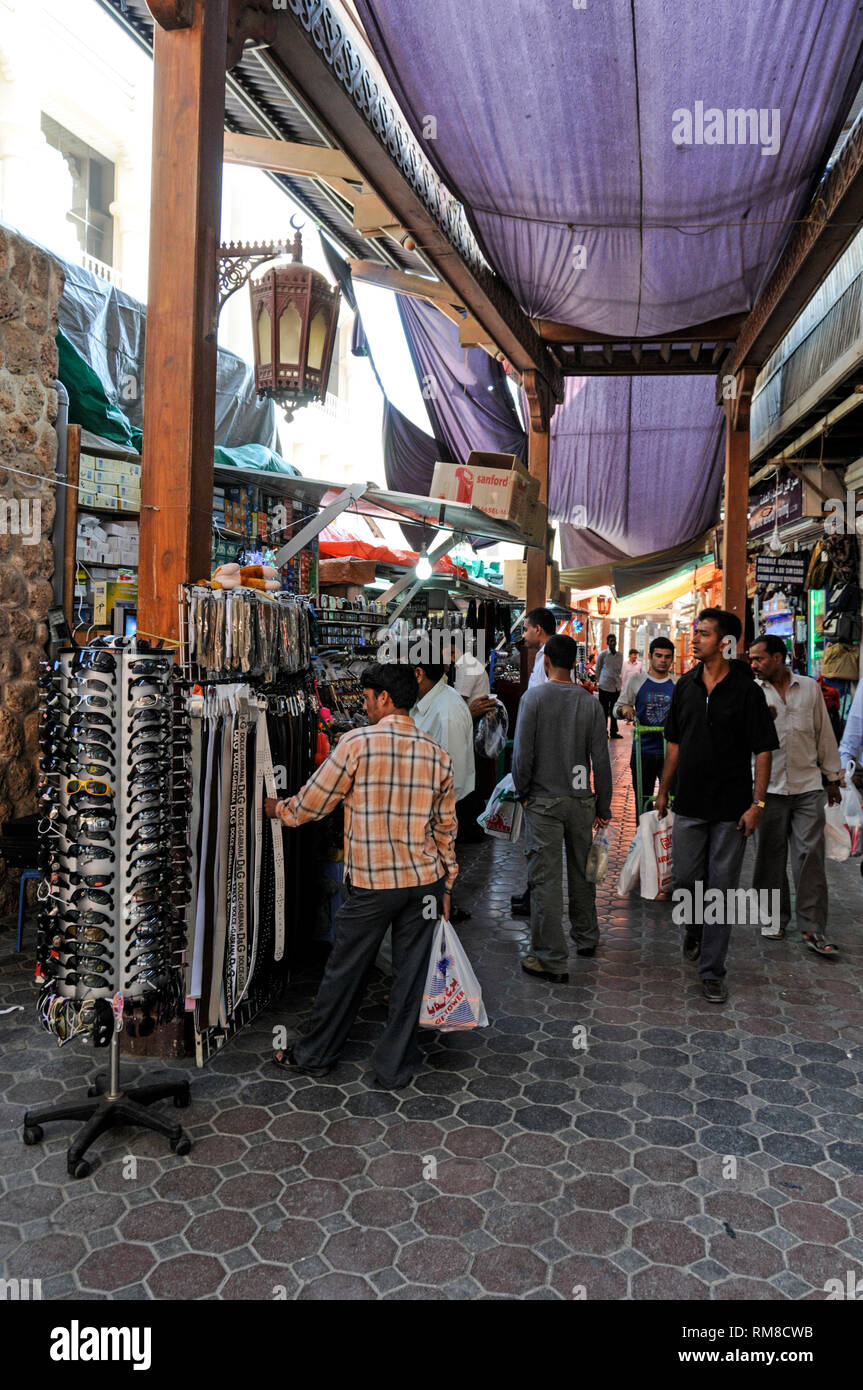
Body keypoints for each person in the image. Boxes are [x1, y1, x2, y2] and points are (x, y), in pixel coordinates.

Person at [266, 662, 457, 1090]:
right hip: (423, 883)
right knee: (410, 978)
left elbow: (314, 803)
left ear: (385, 699)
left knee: (346, 970)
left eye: (368, 698)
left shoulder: (356, 744)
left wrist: (277, 809)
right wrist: (447, 886)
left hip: (373, 884)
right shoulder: (435, 753)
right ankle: (394, 1068)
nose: (365, 706)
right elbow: (446, 828)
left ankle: (316, 1055)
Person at [656, 609, 778, 1004]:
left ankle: (712, 970)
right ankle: (694, 927)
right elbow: (674, 743)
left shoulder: (747, 692)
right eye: (696, 633)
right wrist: (663, 790)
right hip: (689, 803)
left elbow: (763, 750)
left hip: (731, 808)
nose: (695, 639)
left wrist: (757, 803)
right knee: (686, 882)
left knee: (721, 892)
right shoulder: (685, 685)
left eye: (704, 634)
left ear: (724, 642)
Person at [511, 633, 612, 982]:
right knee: (583, 873)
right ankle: (586, 937)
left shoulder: (533, 699)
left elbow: (522, 754)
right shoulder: (589, 702)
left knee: (546, 879)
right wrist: (604, 804)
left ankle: (550, 958)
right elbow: (601, 758)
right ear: (574, 663)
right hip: (582, 801)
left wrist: (523, 791)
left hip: (544, 801)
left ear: (548, 662)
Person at [749, 634, 843, 955]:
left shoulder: (810, 688)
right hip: (767, 790)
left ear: (778, 657)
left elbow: (824, 734)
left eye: (759, 658)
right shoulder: (753, 694)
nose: (754, 664)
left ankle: (813, 928)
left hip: (807, 788)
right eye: (751, 659)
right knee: (768, 858)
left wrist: (832, 777)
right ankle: (773, 918)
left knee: (810, 858)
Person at [510, 606, 559, 919]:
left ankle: (536, 898)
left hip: (541, 758)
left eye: (526, 628)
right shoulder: (545, 656)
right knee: (537, 838)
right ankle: (532, 893)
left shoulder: (549, 658)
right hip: (541, 756)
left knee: (539, 837)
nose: (524, 634)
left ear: (539, 629)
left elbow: (542, 707)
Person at [616, 636, 676, 816]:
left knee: (672, 800)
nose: (663, 660)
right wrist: (625, 709)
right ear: (650, 656)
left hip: (670, 752)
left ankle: (668, 841)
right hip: (642, 751)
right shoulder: (636, 681)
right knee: (642, 802)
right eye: (659, 656)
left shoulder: (677, 684)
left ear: (672, 659)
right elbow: (617, 708)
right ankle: (642, 839)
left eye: (667, 657)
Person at [596, 633, 624, 738]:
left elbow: (619, 670)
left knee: (614, 711)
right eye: (611, 641)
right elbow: (598, 669)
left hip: (615, 686)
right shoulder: (602, 655)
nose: (613, 642)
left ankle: (613, 732)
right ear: (607, 643)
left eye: (614, 640)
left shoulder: (620, 656)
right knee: (603, 711)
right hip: (604, 686)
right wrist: (599, 681)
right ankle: (603, 732)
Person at [523, 607, 557, 689]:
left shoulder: (553, 655)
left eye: (525, 630)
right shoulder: (542, 654)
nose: (523, 635)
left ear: (538, 629)